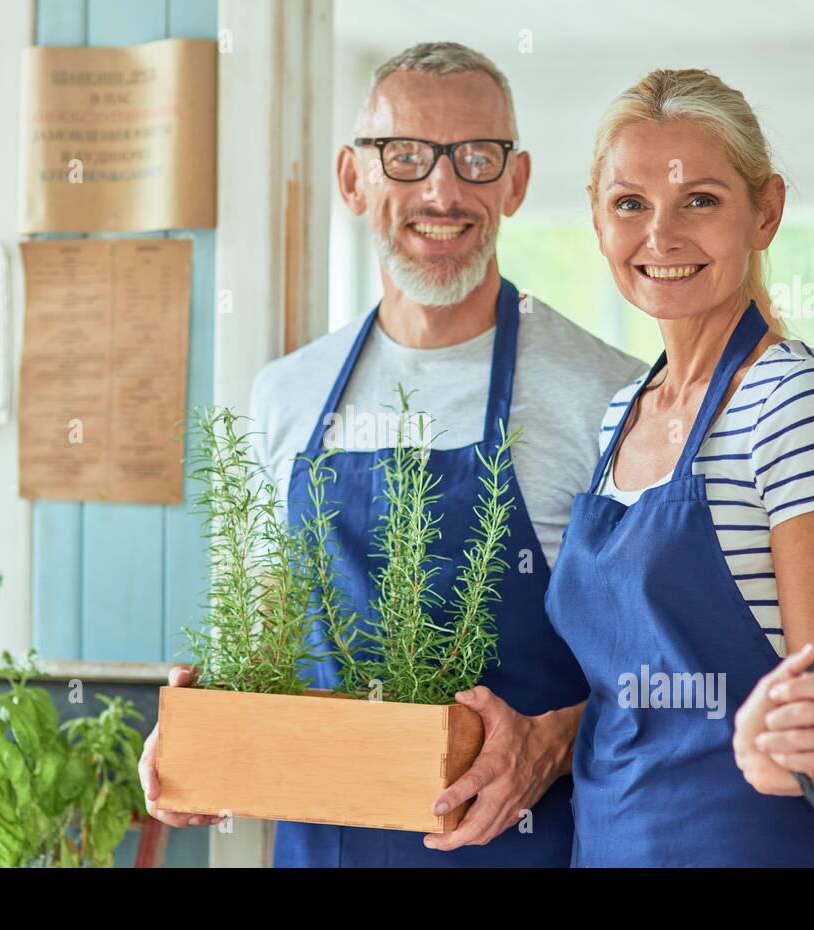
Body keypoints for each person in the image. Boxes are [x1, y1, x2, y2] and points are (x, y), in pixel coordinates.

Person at [137, 41, 645, 867]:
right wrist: (204, 724)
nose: (441, 191)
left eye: (477, 158)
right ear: (352, 179)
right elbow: (272, 611)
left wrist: (549, 744)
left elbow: (655, 673)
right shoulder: (288, 392)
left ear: (515, 183)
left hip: (524, 847)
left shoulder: (607, 393)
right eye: (404, 157)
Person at [544, 68, 814, 866]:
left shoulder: (797, 399)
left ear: (768, 212)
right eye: (630, 204)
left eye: (701, 201)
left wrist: (806, 739)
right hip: (605, 844)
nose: (661, 237)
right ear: (596, 215)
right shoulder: (622, 415)